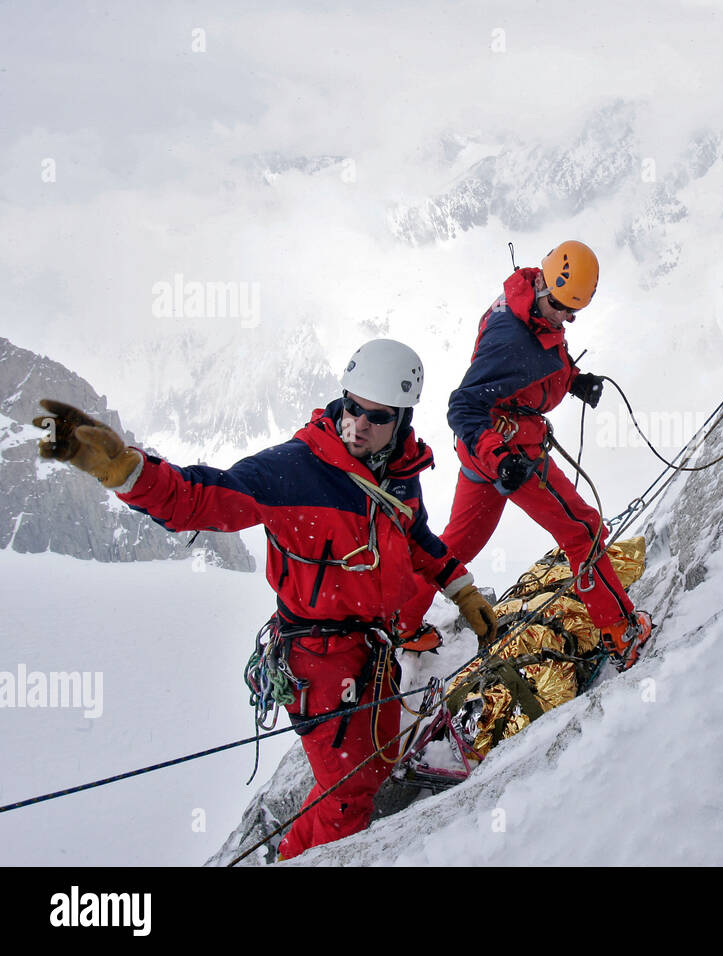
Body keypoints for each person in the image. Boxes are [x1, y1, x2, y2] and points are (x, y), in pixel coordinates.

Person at [33, 339, 497, 860]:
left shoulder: (400, 474)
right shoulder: (295, 470)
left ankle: (289, 854)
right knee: (349, 798)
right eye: (352, 406)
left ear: (403, 419)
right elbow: (200, 498)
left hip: (374, 647)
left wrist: (462, 589)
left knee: (370, 767)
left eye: (377, 416)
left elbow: (416, 537)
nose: (358, 423)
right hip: (319, 660)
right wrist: (128, 472)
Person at [440, 240, 653, 671]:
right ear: (543, 282)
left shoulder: (526, 305)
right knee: (583, 529)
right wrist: (502, 459)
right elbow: (462, 406)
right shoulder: (509, 336)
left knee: (453, 548)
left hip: (488, 450)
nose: (565, 318)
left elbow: (538, 358)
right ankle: (620, 631)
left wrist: (573, 380)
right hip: (508, 449)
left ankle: (397, 619)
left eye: (572, 312)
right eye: (560, 307)